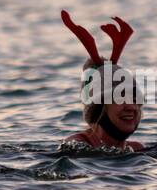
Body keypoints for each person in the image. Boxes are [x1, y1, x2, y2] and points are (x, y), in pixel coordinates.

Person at [60, 10, 145, 151]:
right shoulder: (76, 147)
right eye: (119, 97)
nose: (131, 106)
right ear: (98, 107)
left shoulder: (137, 149)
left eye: (134, 98)